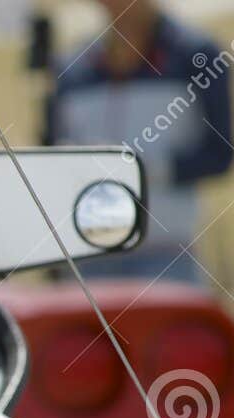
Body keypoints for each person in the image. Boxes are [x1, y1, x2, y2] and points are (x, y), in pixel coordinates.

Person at [44, 0, 233, 281]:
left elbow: (219, 154)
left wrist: (143, 169)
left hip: (168, 255)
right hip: (86, 258)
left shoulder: (197, 56)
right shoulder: (70, 67)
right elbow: (48, 159)